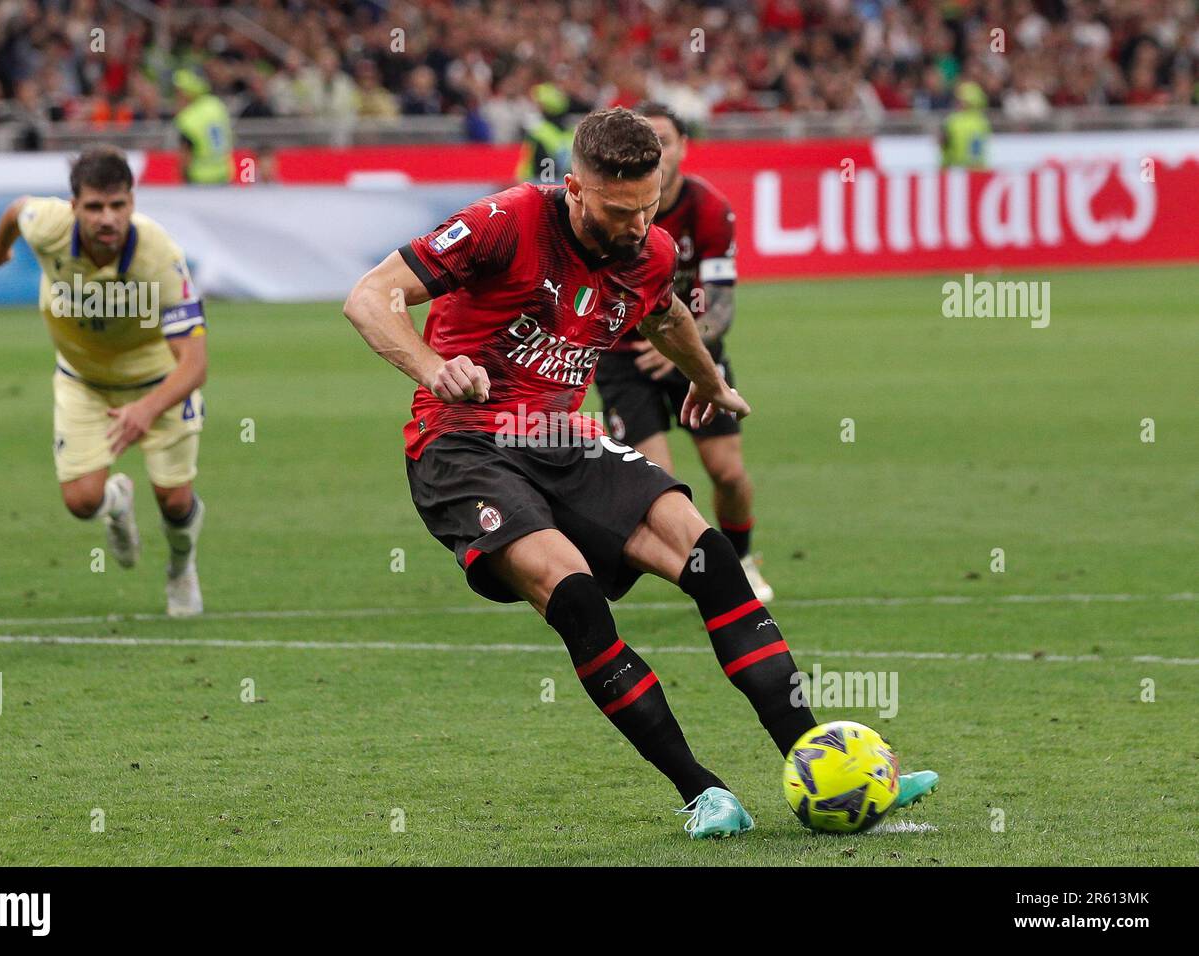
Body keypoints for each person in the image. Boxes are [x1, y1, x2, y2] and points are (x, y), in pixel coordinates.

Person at [344, 107, 937, 837]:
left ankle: (818, 759)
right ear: (575, 190)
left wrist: (709, 380)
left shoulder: (648, 249)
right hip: (463, 449)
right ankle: (702, 792)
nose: (634, 227)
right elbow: (369, 296)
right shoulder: (505, 220)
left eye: (647, 208)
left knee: (711, 557)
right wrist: (433, 367)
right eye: (619, 211)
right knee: (579, 601)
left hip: (561, 437)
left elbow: (664, 315)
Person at [0, 146, 208, 617]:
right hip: (82, 380)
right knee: (82, 501)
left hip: (157, 382)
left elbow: (194, 364)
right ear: (73, 207)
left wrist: (146, 410)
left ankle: (180, 567)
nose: (107, 218)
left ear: (132, 202)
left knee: (174, 499)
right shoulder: (47, 226)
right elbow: (14, 211)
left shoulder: (160, 256)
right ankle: (117, 504)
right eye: (94, 207)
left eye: (117, 205)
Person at [595, 101, 773, 603]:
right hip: (624, 359)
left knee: (729, 473)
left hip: (695, 354)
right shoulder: (609, 206)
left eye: (666, 140)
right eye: (646, 139)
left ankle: (740, 558)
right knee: (656, 487)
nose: (656, 149)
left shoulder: (709, 209)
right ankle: (711, 579)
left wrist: (682, 349)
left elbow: (721, 307)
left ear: (683, 147)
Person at [173, 69, 233, 184]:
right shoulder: (216, 105)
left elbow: (185, 155)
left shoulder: (188, 116)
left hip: (200, 178)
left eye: (179, 93)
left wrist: (183, 178)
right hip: (224, 173)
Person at [940, 80, 991, 169]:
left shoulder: (953, 120)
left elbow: (944, 142)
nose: (957, 103)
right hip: (974, 168)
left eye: (960, 100)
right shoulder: (982, 121)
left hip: (958, 168)